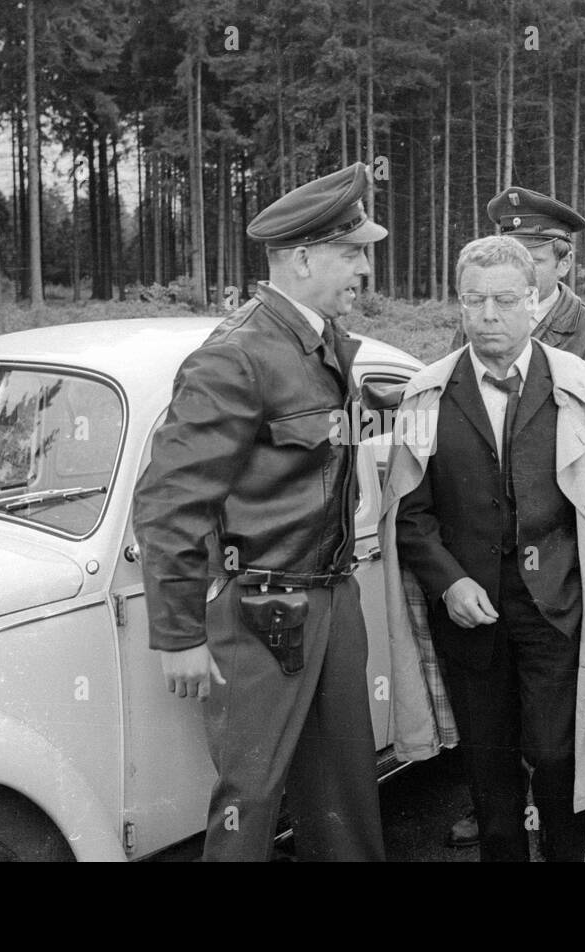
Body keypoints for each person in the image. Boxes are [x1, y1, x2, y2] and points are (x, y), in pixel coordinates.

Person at [383, 235, 585, 862]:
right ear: (459, 305)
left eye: (506, 301)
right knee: (487, 769)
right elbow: (409, 513)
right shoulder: (427, 395)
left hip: (558, 611)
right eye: (474, 300)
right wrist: (449, 581)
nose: (489, 315)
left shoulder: (584, 390)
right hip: (469, 617)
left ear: (534, 303)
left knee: (557, 753)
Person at [131, 163, 387, 862]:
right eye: (352, 252)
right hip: (264, 612)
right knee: (250, 801)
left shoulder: (321, 339)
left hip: (332, 599)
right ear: (303, 258)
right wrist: (179, 633)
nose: (365, 267)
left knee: (345, 793)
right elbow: (169, 501)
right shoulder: (238, 356)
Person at [451, 185, 585, 400]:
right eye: (512, 262)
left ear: (564, 263)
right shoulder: (478, 314)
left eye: (533, 262)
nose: (521, 273)